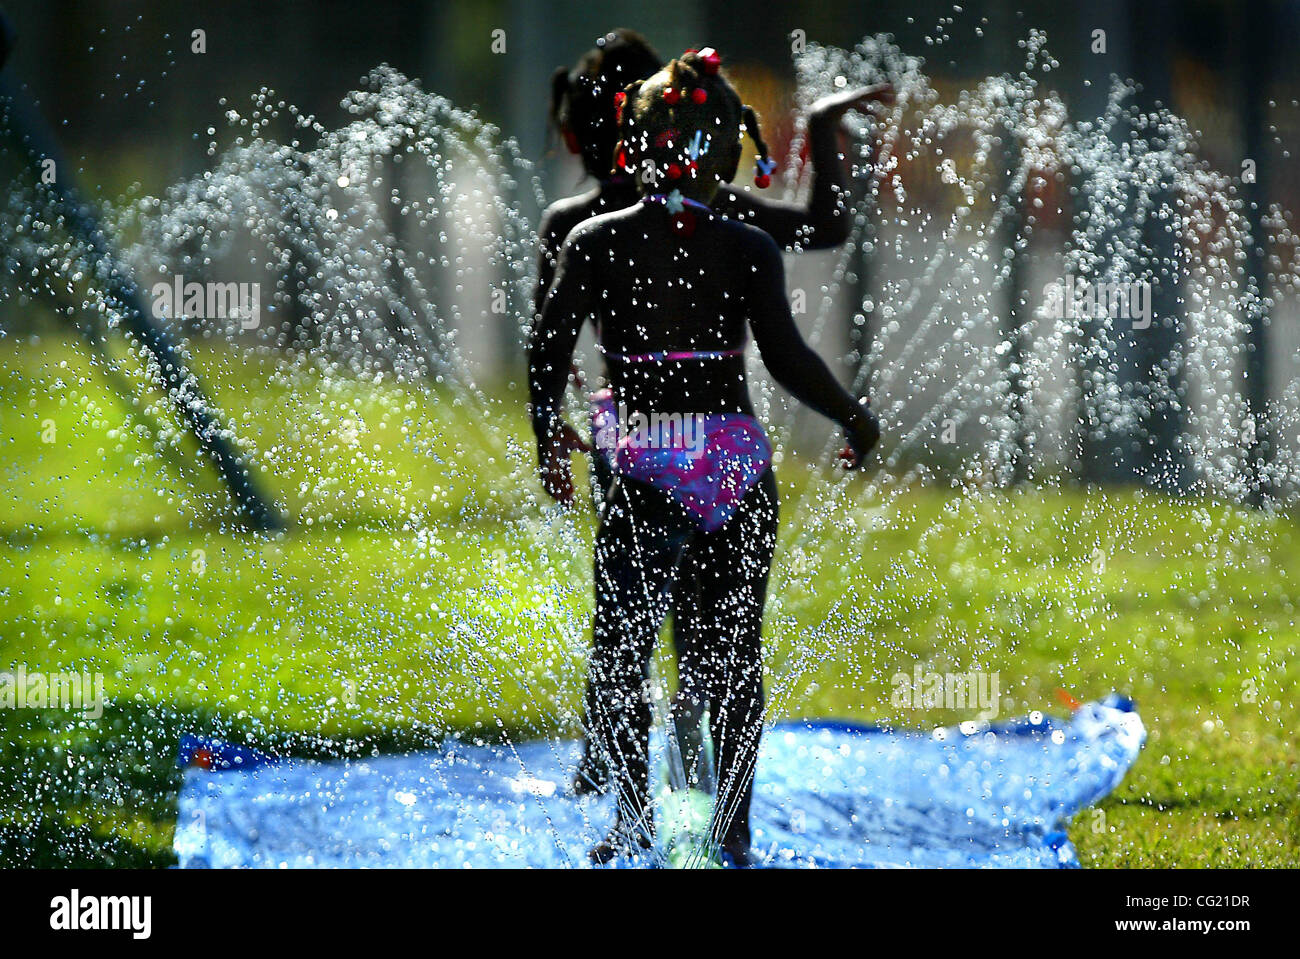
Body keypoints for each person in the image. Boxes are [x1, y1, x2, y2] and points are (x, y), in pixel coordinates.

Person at [529, 48, 880, 865]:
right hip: (731, 467)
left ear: (630, 145)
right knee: (732, 659)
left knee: (621, 649)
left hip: (641, 461)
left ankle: (630, 820)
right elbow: (789, 357)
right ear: (731, 152)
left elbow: (547, 349)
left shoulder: (592, 238)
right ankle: (734, 831)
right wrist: (855, 417)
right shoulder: (747, 243)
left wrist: (549, 434)